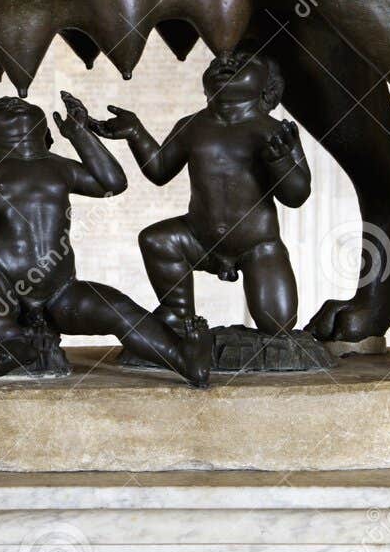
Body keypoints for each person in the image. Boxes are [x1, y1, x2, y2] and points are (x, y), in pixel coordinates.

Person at [0, 93, 211, 385]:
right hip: (1, 285)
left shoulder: (59, 166)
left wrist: (80, 135)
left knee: (118, 309)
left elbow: (111, 184)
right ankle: (13, 341)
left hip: (62, 292)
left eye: (22, 105)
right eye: (3, 108)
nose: (15, 104)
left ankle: (184, 360)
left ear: (44, 130)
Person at [87, 48, 311, 336]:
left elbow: (297, 196)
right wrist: (136, 133)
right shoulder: (192, 126)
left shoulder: (274, 131)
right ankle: (179, 316)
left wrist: (280, 161)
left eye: (242, 62)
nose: (226, 62)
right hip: (198, 238)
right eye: (217, 61)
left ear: (268, 88)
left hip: (258, 244)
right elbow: (159, 171)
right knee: (157, 240)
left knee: (278, 323)